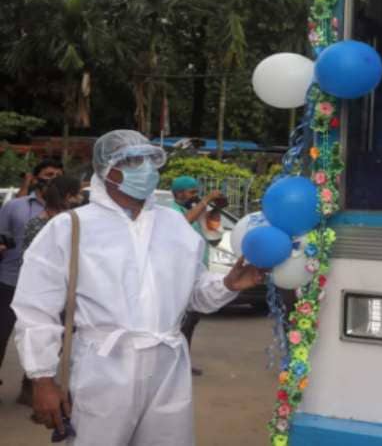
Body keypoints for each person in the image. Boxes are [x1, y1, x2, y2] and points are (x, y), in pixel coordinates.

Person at [13, 130, 264, 445]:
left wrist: (228, 285)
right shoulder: (71, 227)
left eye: (150, 160)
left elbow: (196, 294)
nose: (145, 169)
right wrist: (42, 378)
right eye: (132, 161)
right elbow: (36, 307)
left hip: (168, 366)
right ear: (107, 170)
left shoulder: (174, 227)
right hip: (103, 368)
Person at [12, 174, 84, 406]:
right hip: (53, 293)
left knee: (54, 343)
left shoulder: (57, 222)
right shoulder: (62, 225)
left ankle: (41, 388)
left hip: (60, 294)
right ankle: (41, 390)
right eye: (78, 193)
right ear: (68, 196)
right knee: (48, 342)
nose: (81, 198)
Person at [0, 158, 63, 395]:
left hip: (49, 286)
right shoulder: (15, 207)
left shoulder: (71, 213)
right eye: (48, 174)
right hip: (10, 279)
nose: (53, 178)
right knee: (1, 335)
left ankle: (32, 388)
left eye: (58, 174)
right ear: (36, 178)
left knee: (44, 338)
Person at [167, 175, 224, 376]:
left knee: (192, 320)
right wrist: (206, 200)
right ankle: (176, 364)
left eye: (196, 191)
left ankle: (183, 362)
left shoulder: (196, 211)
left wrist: (216, 209)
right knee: (181, 322)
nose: (196, 195)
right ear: (179, 193)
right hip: (180, 274)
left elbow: (214, 234)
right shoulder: (172, 211)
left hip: (198, 272)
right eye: (192, 192)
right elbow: (183, 223)